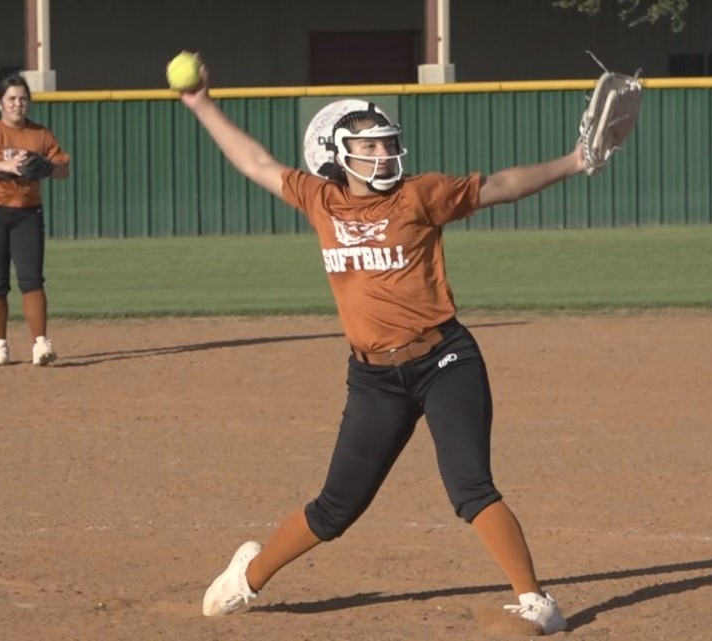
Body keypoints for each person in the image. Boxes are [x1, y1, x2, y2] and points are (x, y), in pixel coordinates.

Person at [180, 61, 592, 636]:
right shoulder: (319, 199)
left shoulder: (420, 195)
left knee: (470, 485)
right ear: (336, 153)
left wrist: (575, 161)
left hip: (444, 359)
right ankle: (246, 579)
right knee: (335, 509)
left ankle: (535, 600)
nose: (382, 154)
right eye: (368, 145)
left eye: (387, 144)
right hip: (373, 379)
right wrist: (201, 104)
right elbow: (253, 161)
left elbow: (499, 186)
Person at [0, 75, 70, 366]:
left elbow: (63, 170)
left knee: (31, 279)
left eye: (22, 98)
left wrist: (47, 167)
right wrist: (4, 165)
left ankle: (40, 343)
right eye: (11, 99)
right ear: (0, 104)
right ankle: (0, 345)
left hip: (27, 213)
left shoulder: (41, 135)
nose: (17, 104)